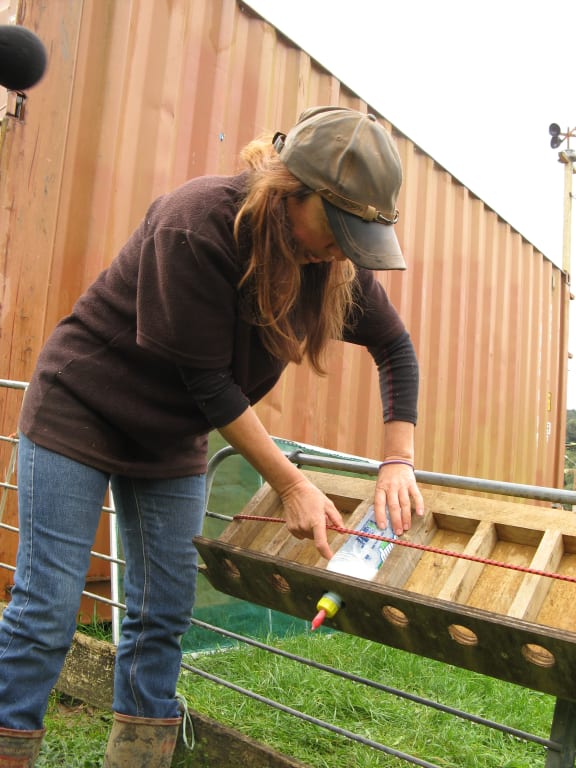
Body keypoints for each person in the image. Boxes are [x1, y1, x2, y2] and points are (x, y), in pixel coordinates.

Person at [0, 105, 424, 766]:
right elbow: (208, 382)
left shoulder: (331, 264)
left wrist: (398, 460)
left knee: (161, 614)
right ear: (292, 191)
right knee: (47, 610)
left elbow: (395, 348)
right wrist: (291, 483)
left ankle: (139, 757)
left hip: (170, 440)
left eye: (359, 237)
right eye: (340, 229)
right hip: (80, 412)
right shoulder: (198, 223)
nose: (344, 250)